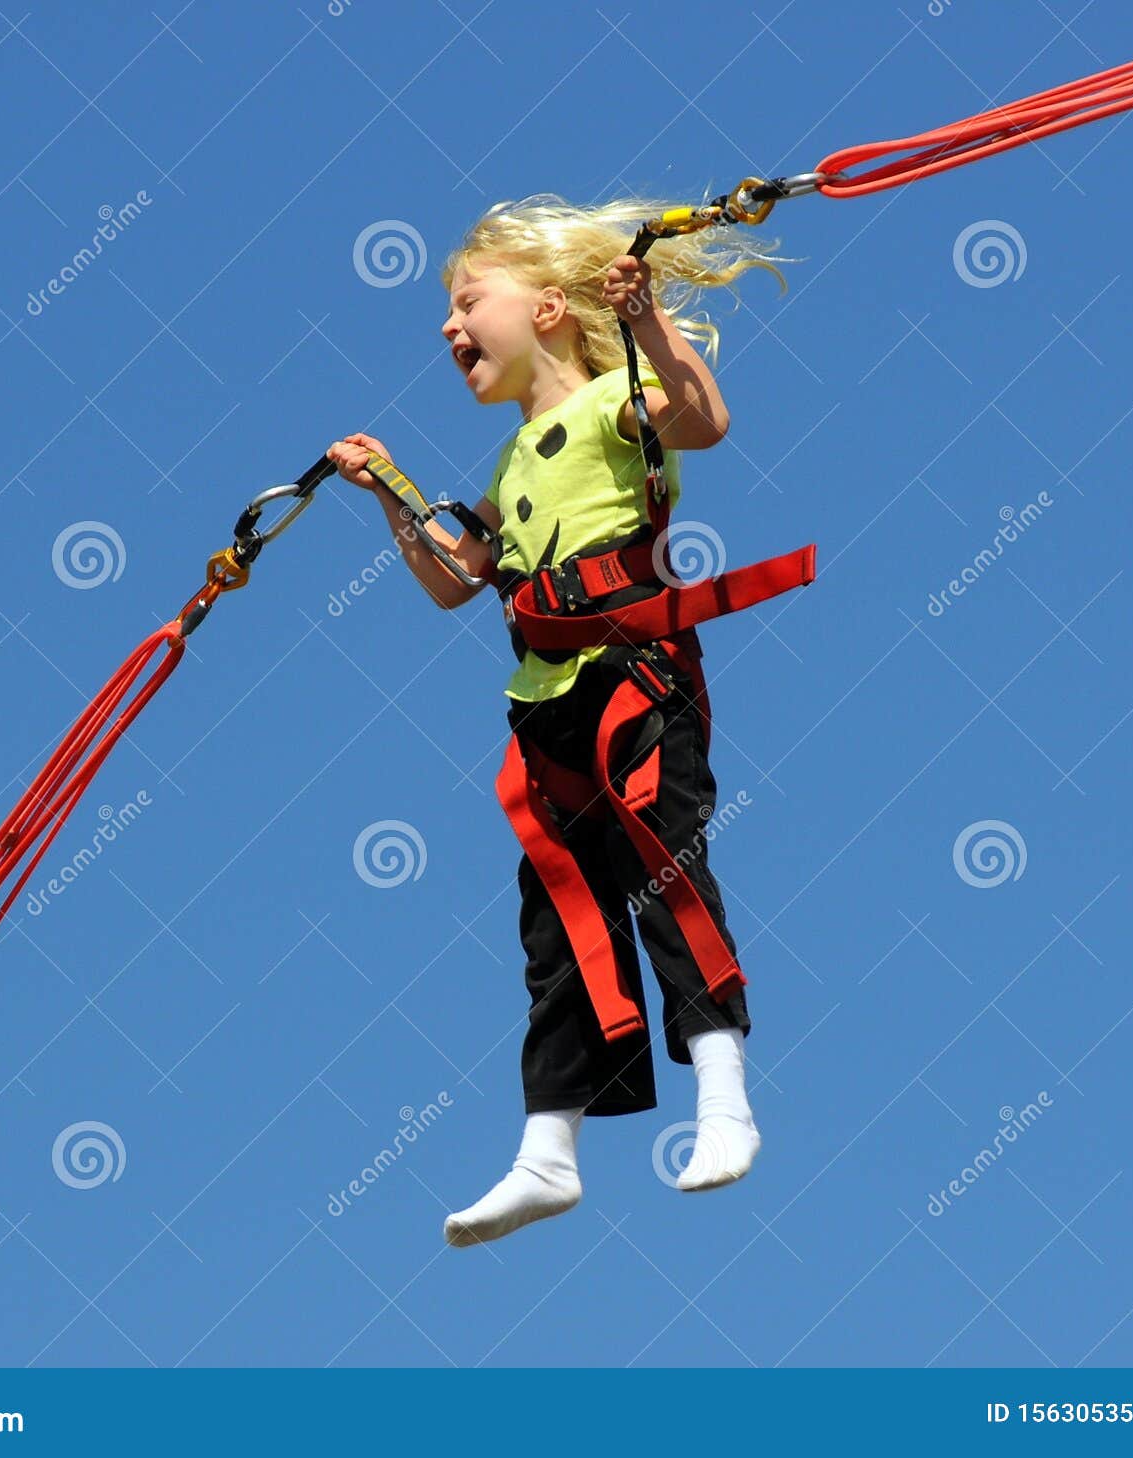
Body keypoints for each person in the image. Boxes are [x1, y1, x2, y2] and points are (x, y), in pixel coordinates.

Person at [327, 195, 788, 1247]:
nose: (449, 328)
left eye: (464, 302)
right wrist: (389, 491)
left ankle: (723, 1099)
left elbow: (702, 421)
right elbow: (458, 581)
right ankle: (548, 1152)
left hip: (633, 672)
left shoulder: (615, 400)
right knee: (559, 917)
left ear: (543, 308)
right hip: (544, 705)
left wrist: (649, 323)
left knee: (664, 866)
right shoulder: (509, 461)